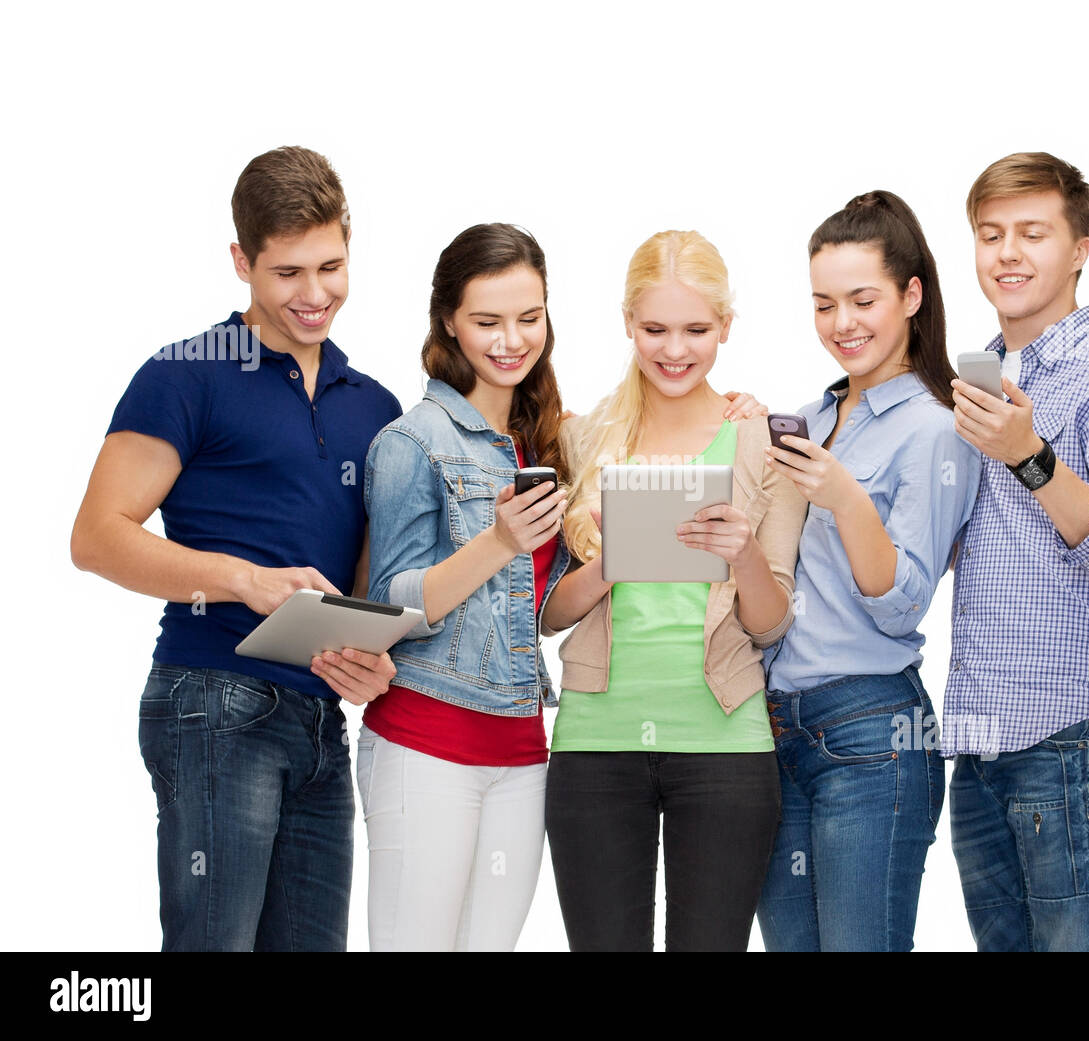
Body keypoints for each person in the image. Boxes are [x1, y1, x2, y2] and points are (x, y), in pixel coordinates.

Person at [69, 146, 402, 951]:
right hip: (215, 703)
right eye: (288, 273)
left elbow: (362, 583)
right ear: (240, 261)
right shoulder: (186, 375)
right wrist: (242, 580)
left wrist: (373, 658)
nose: (315, 295)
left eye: (331, 266)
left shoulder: (376, 406)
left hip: (323, 722)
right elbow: (96, 536)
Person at [541, 229, 806, 952]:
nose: (674, 349)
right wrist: (612, 560)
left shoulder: (760, 442)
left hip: (724, 742)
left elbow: (771, 619)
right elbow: (548, 614)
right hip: (598, 739)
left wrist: (742, 552)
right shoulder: (586, 436)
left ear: (726, 326)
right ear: (627, 322)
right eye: (654, 328)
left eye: (696, 329)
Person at [946, 152, 1089, 952]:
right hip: (979, 740)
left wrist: (1029, 454)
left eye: (1032, 233)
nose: (1007, 253)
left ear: (1079, 247)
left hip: (1071, 728)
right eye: (990, 234)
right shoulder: (977, 384)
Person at [756, 191, 981, 951]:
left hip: (873, 731)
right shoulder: (811, 419)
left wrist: (847, 500)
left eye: (862, 300)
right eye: (824, 304)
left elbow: (903, 602)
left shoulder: (937, 428)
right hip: (775, 727)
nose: (842, 323)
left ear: (912, 296)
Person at [358, 223, 570, 951]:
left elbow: (539, 615)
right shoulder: (412, 441)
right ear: (449, 321)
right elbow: (389, 604)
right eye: (487, 321)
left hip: (521, 751)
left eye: (529, 317)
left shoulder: (544, 444)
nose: (511, 339)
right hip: (427, 743)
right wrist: (501, 540)